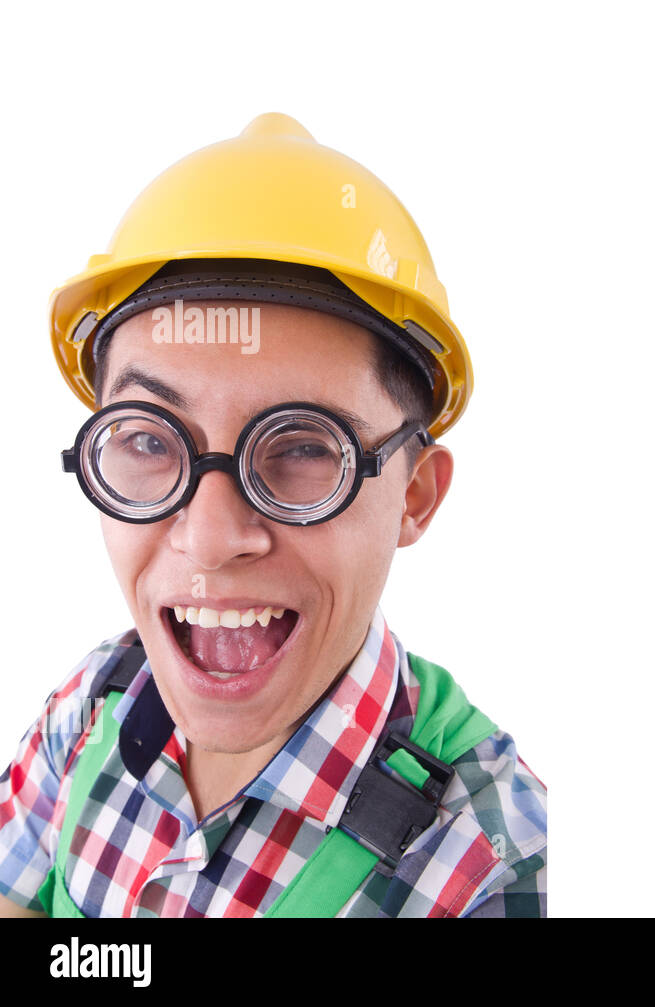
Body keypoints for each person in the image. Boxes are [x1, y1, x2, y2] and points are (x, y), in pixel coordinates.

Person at [0, 113, 546, 917]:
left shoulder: (493, 867)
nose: (211, 538)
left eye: (302, 447)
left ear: (416, 495)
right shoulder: (90, 708)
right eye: (149, 438)